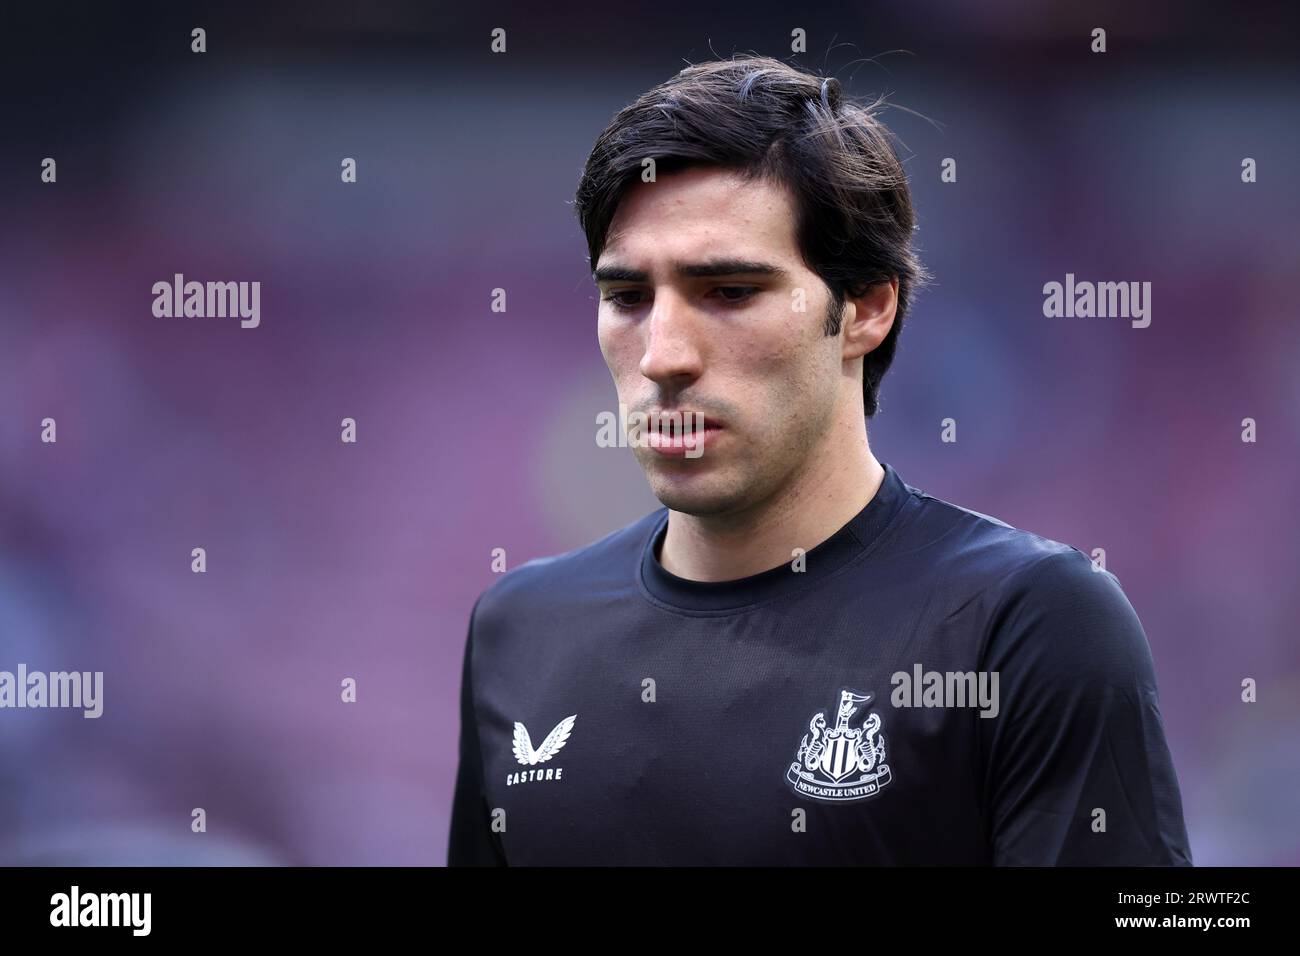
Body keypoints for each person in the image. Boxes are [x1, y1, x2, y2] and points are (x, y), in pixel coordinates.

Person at [447, 55, 1191, 865]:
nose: (663, 355)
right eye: (628, 297)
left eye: (729, 291)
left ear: (866, 308)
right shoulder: (518, 631)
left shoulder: (1026, 624)